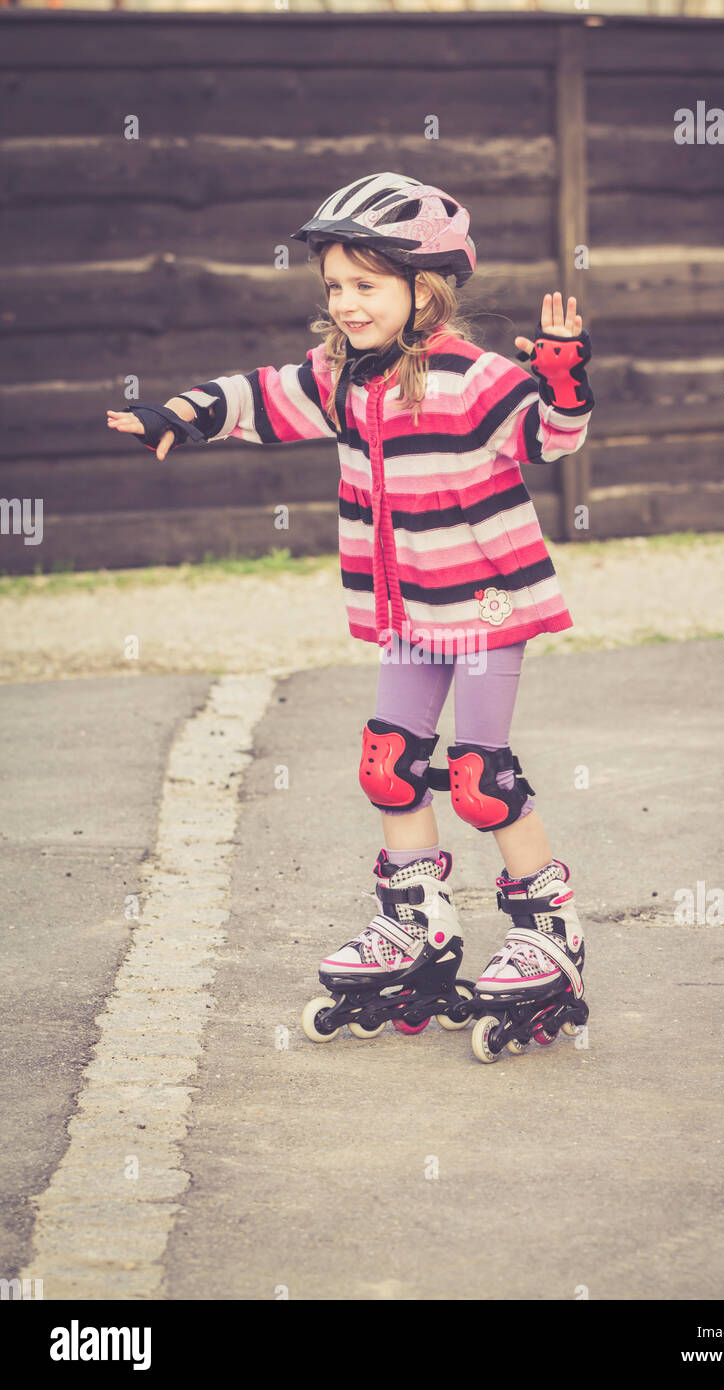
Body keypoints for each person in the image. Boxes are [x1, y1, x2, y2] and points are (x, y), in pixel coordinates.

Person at [106, 172, 595, 1062]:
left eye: (366, 284)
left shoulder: (470, 377)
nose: (346, 301)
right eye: (334, 286)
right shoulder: (338, 380)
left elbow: (546, 440)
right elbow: (257, 396)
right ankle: (419, 926)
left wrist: (561, 378)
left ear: (427, 291)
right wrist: (176, 412)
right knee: (388, 766)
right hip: (408, 608)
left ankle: (550, 936)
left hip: (486, 604)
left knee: (481, 778)